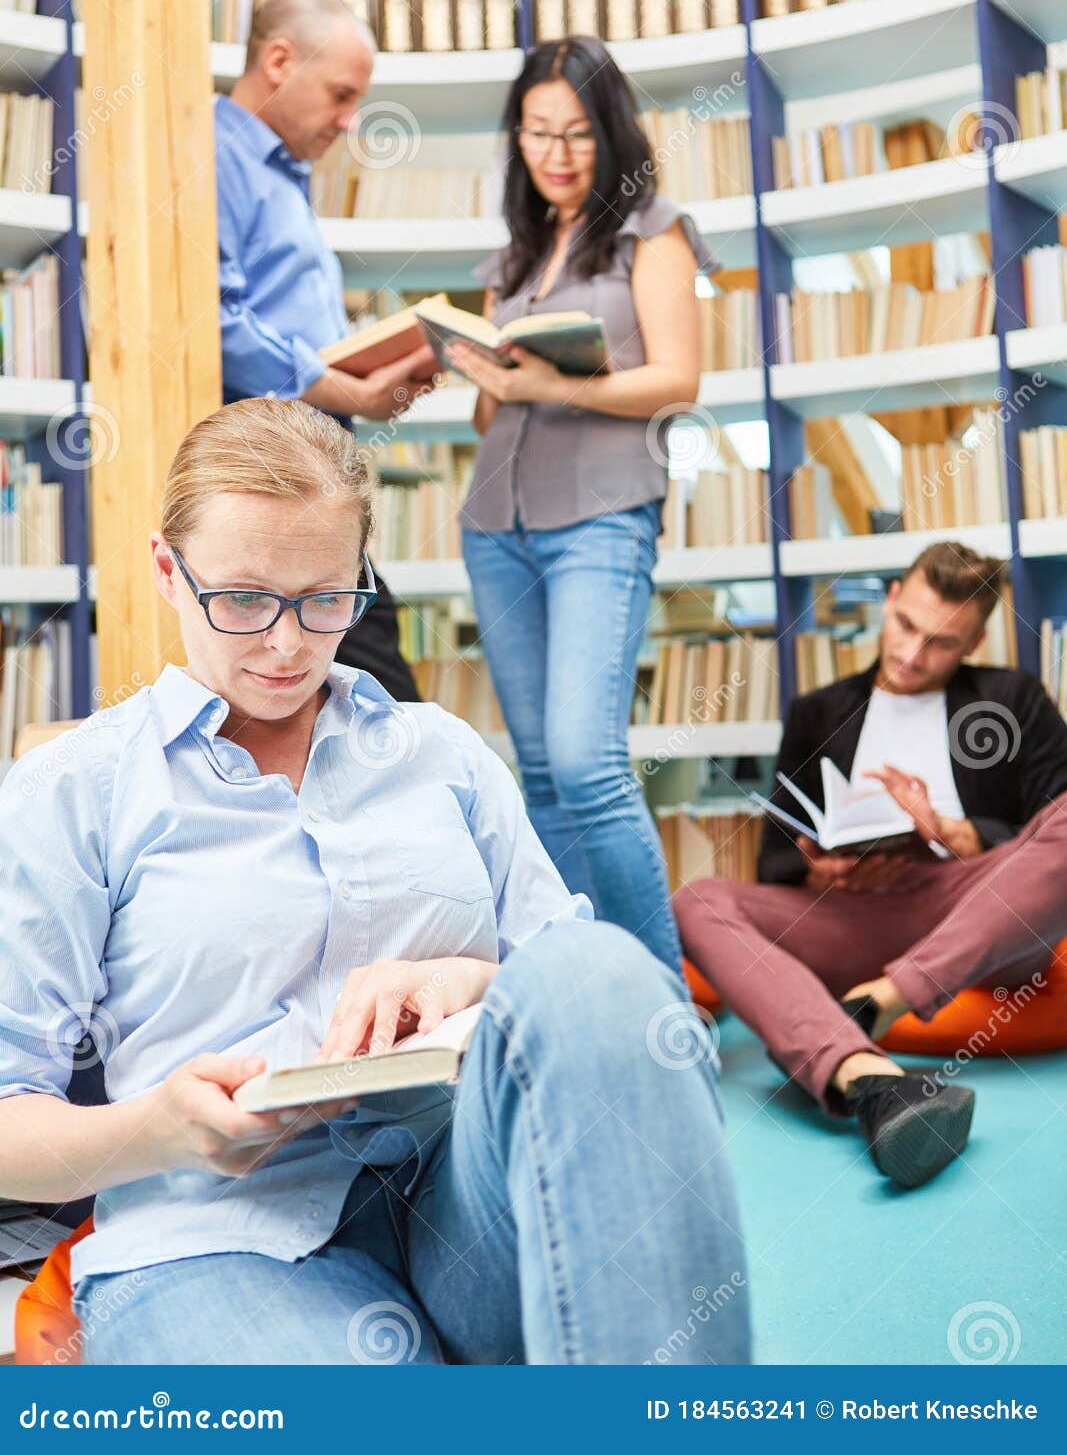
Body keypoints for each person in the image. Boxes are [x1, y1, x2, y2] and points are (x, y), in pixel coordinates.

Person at [0, 398, 750, 1366]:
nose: (284, 645)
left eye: (323, 600)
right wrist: (160, 1130)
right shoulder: (77, 790)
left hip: (463, 1205)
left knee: (603, 974)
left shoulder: (440, 753)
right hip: (214, 1235)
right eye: (242, 599)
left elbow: (577, 994)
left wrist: (471, 983)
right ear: (165, 573)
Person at [675, 541, 1067, 1190]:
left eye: (940, 643)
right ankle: (873, 1081)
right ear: (889, 601)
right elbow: (774, 855)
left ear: (971, 644)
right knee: (699, 901)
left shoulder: (1013, 698)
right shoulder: (819, 712)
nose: (912, 655)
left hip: (976, 912)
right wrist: (817, 873)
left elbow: (1046, 831)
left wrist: (949, 832)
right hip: (851, 917)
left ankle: (883, 1003)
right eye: (906, 626)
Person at [450, 35, 714, 977]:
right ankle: (587, 994)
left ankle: (661, 995)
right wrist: (481, 368)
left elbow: (676, 380)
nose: (554, 154)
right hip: (496, 526)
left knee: (588, 760)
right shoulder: (515, 253)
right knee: (545, 781)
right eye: (534, 132)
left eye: (575, 134)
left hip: (601, 515)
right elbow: (494, 409)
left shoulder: (654, 226)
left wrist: (549, 389)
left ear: (609, 132)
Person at [215, 0, 433, 701]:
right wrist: (344, 388)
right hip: (265, 471)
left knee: (351, 680)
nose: (348, 121)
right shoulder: (214, 154)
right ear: (279, 59)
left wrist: (371, 375)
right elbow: (213, 320)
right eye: (340, 95)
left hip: (311, 466)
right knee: (377, 689)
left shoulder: (283, 174)